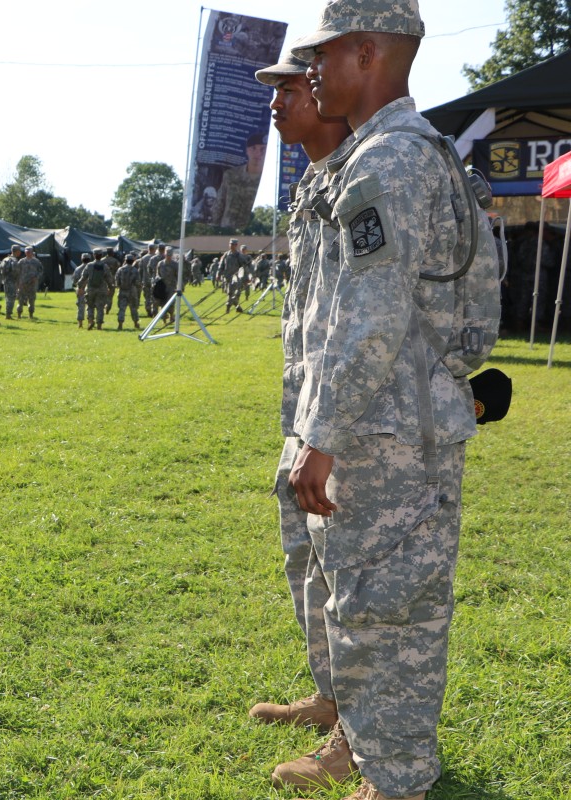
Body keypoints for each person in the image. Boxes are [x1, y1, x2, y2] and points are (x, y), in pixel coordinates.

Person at [272, 4, 483, 798]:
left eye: (324, 55)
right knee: (360, 602)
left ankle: (395, 781)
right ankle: (361, 748)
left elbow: (374, 315)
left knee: (389, 611)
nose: (311, 69)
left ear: (369, 51)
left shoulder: (391, 162)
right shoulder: (376, 156)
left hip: (391, 430)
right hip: (377, 420)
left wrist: (320, 431)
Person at [244, 44, 354, 788]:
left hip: (346, 422)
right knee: (308, 564)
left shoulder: (369, 176)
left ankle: (359, 734)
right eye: (273, 91)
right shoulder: (313, 183)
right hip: (304, 414)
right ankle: (329, 694)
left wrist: (332, 429)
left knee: (353, 578)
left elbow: (368, 320)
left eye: (289, 89)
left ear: (329, 89)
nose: (276, 103)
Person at [216, 131, 268, 229]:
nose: (258, 153)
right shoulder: (231, 175)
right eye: (253, 148)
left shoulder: (267, 179)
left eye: (263, 149)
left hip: (254, 231)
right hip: (226, 229)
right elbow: (219, 205)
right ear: (247, 150)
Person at [77, 248, 114, 330]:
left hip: (90, 289)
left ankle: (90, 321)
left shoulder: (89, 265)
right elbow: (109, 278)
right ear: (101, 255)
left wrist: (79, 287)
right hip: (101, 289)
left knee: (90, 306)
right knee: (100, 307)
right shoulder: (105, 266)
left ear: (94, 255)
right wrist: (110, 288)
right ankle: (99, 326)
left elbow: (83, 277)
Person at [218, 238, 247, 313]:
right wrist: (218, 274)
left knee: (230, 293)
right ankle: (238, 307)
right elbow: (221, 265)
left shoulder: (239, 255)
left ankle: (227, 308)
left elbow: (244, 266)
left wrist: (245, 277)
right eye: (230, 244)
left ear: (236, 245)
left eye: (233, 244)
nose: (231, 246)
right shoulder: (226, 254)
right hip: (227, 277)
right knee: (230, 293)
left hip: (236, 277)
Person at [115, 252, 142, 330]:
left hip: (122, 291)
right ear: (132, 261)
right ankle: (136, 323)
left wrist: (120, 286)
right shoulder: (135, 270)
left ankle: (120, 324)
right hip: (132, 291)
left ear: (125, 260)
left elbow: (117, 281)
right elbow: (138, 282)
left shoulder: (120, 269)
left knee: (122, 308)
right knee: (133, 308)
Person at [16, 246, 43, 318]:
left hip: (32, 284)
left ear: (32, 252)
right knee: (20, 299)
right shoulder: (21, 261)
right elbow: (17, 272)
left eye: (29, 251)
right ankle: (19, 314)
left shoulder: (36, 262)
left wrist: (36, 277)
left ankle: (31, 314)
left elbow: (41, 271)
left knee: (31, 299)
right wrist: (18, 283)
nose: (28, 253)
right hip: (23, 283)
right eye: (26, 251)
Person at [0, 244, 22, 319]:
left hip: (5, 281)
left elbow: (0, 268)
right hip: (12, 281)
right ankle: (8, 314)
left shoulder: (5, 259)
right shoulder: (14, 261)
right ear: (17, 251)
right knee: (11, 298)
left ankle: (7, 313)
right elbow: (16, 272)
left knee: (7, 297)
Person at [71, 252, 91, 328]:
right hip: (90, 289)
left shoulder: (78, 269)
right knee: (90, 306)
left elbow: (74, 280)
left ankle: (80, 323)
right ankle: (90, 321)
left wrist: (79, 288)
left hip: (80, 290)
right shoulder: (92, 268)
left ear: (81, 259)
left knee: (80, 307)